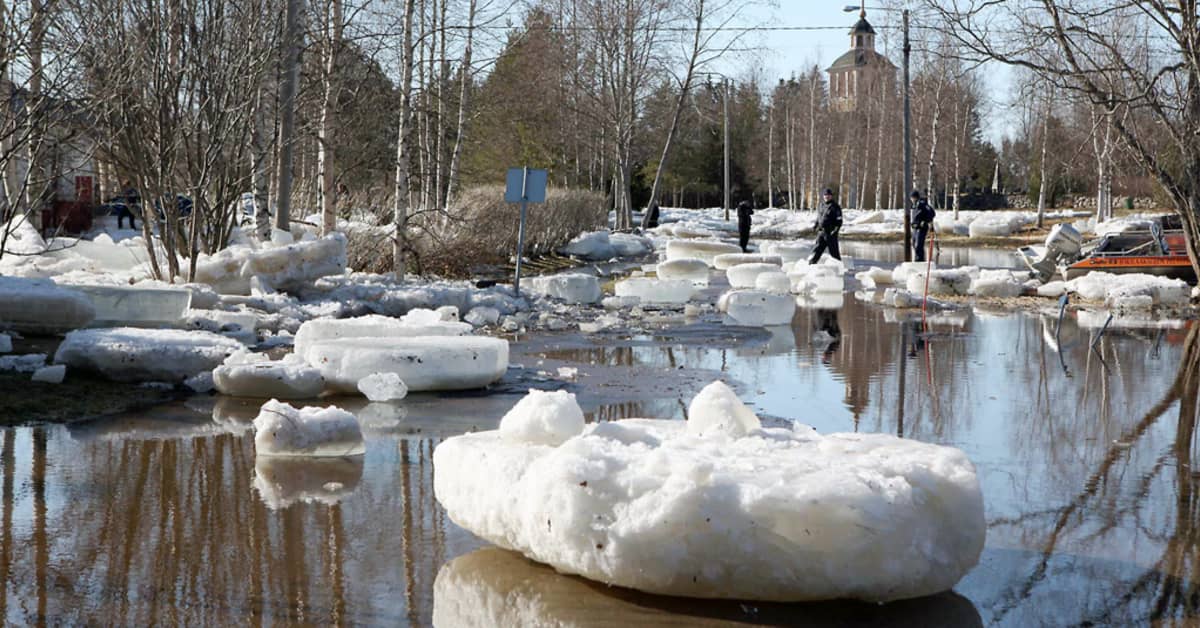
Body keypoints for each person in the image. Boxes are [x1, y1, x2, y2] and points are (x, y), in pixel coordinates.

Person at [809, 189, 842, 263]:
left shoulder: (835, 207)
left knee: (834, 253)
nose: (827, 196)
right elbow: (819, 217)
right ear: (823, 196)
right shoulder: (821, 205)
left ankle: (839, 268)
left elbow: (839, 221)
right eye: (825, 195)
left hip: (830, 233)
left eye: (828, 195)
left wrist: (835, 231)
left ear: (831, 196)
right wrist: (815, 226)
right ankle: (811, 266)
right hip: (821, 232)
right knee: (817, 251)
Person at [911, 190, 936, 262]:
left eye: (913, 198)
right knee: (914, 244)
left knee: (918, 245)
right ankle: (917, 259)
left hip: (921, 228)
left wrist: (927, 222)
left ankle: (919, 260)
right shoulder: (914, 205)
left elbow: (931, 213)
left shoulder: (922, 204)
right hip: (915, 228)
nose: (912, 200)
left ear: (915, 197)